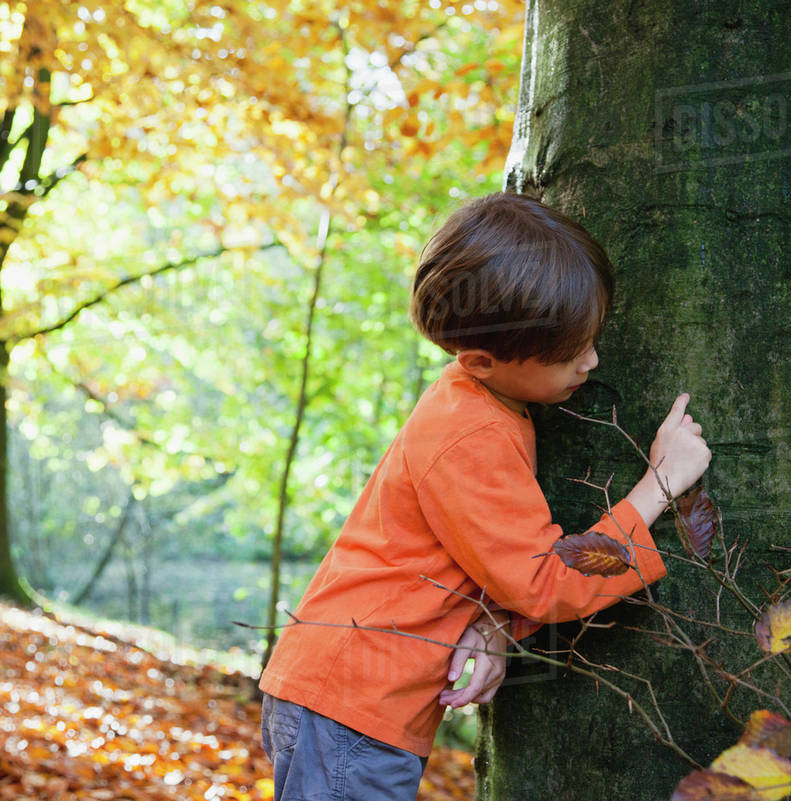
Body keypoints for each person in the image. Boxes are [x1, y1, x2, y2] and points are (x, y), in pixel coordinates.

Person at [258, 192, 711, 800]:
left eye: (591, 340)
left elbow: (491, 563)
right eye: (569, 354)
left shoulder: (477, 403)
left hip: (352, 700)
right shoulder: (471, 435)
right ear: (482, 360)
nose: (592, 361)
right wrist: (659, 484)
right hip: (352, 704)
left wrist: (496, 623)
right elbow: (548, 582)